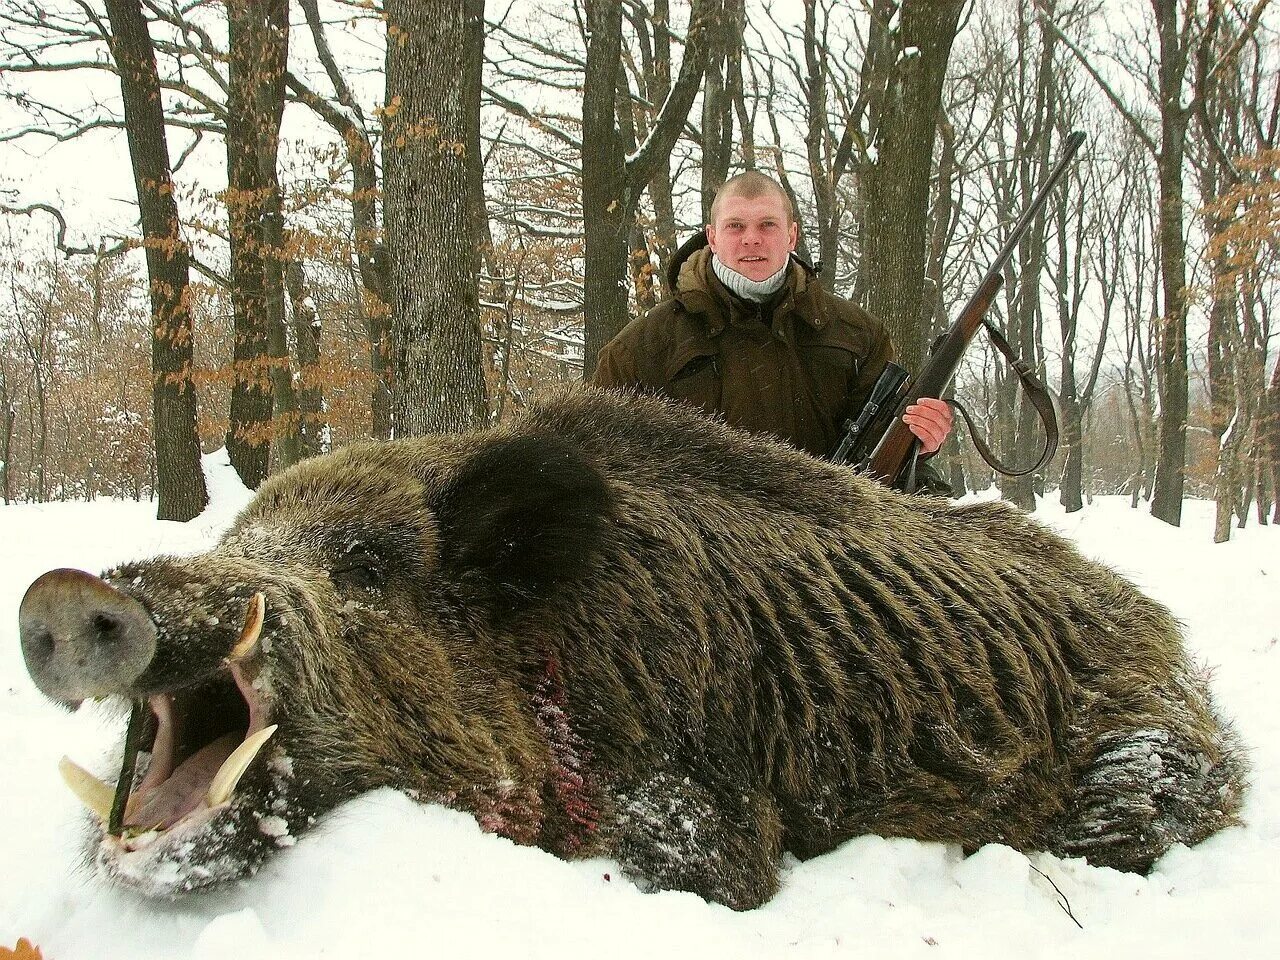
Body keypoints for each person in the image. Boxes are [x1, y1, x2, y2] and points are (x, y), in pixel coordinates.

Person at [593, 170, 953, 493]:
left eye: (768, 225)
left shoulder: (858, 335)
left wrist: (921, 439)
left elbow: (884, 458)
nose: (752, 239)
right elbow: (597, 464)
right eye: (736, 226)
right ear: (713, 237)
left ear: (792, 235)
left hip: (832, 552)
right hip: (695, 560)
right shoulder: (640, 349)